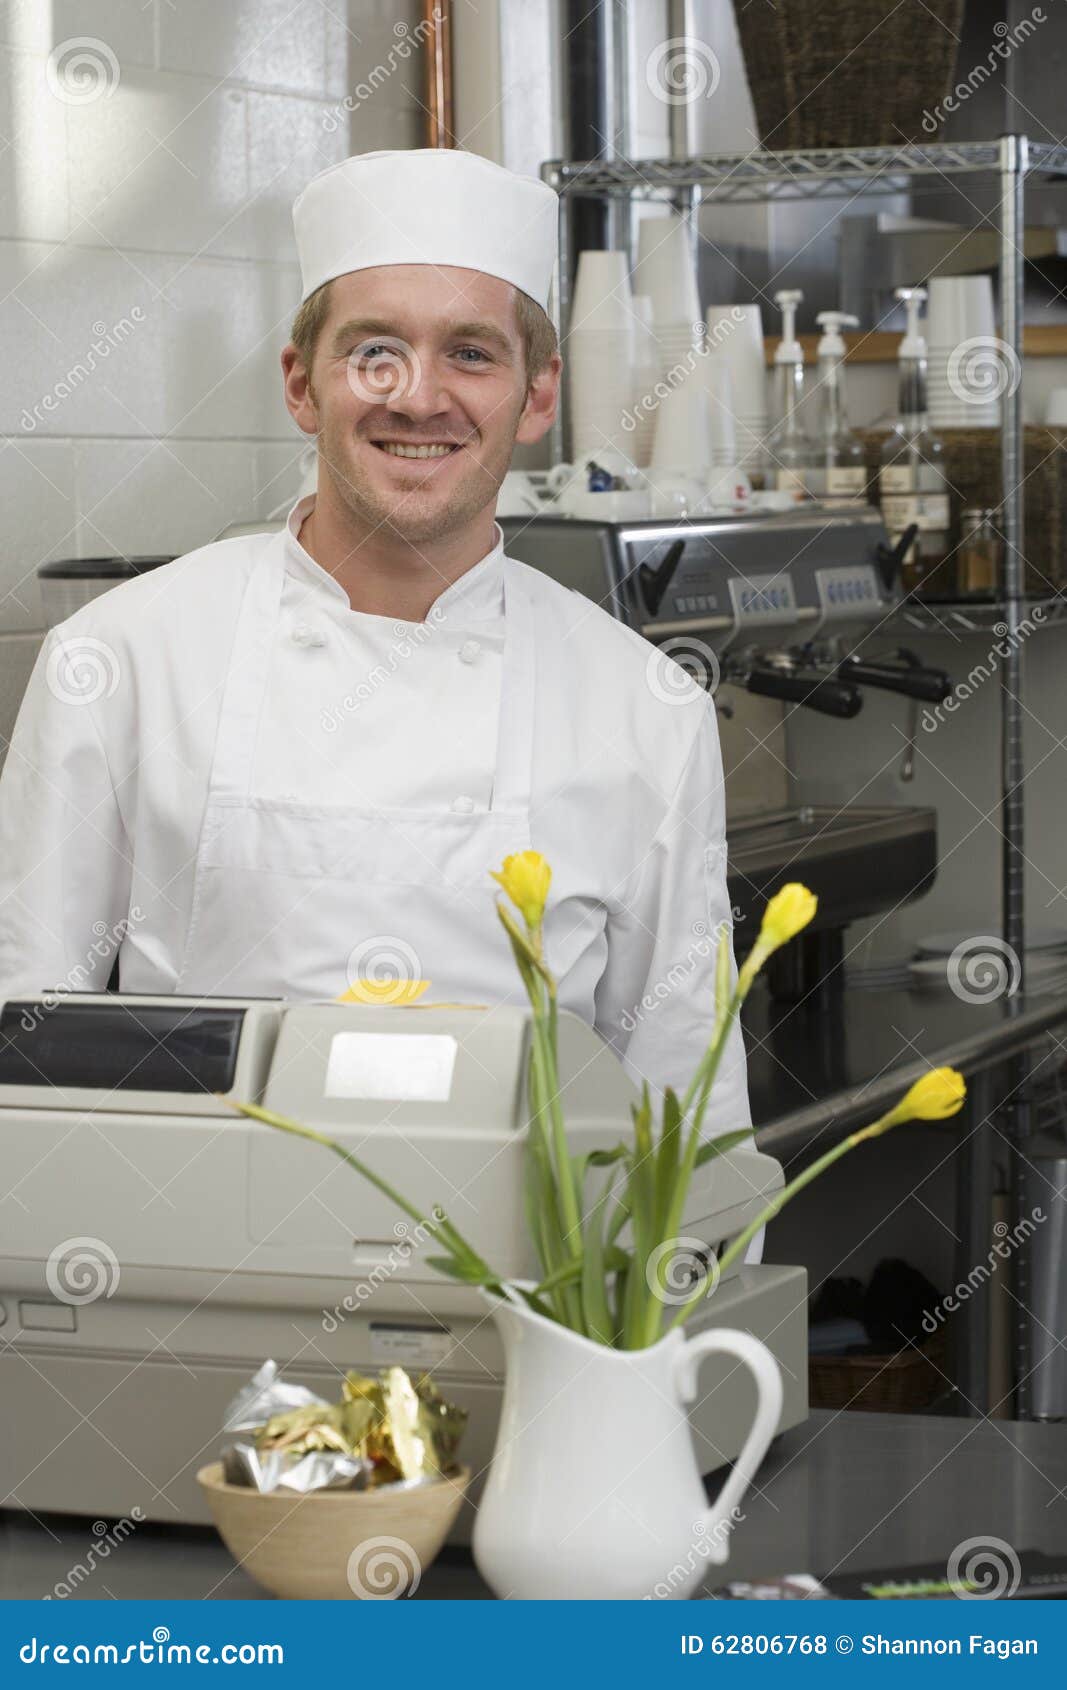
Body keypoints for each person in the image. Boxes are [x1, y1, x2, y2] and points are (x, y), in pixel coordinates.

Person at [0, 147, 749, 1138]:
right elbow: (21, 1049)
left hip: (523, 1286)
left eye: (471, 354)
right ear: (301, 384)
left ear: (535, 396)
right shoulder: (120, 661)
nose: (417, 395)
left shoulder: (645, 711)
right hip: (191, 1274)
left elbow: (682, 1105)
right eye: (373, 351)